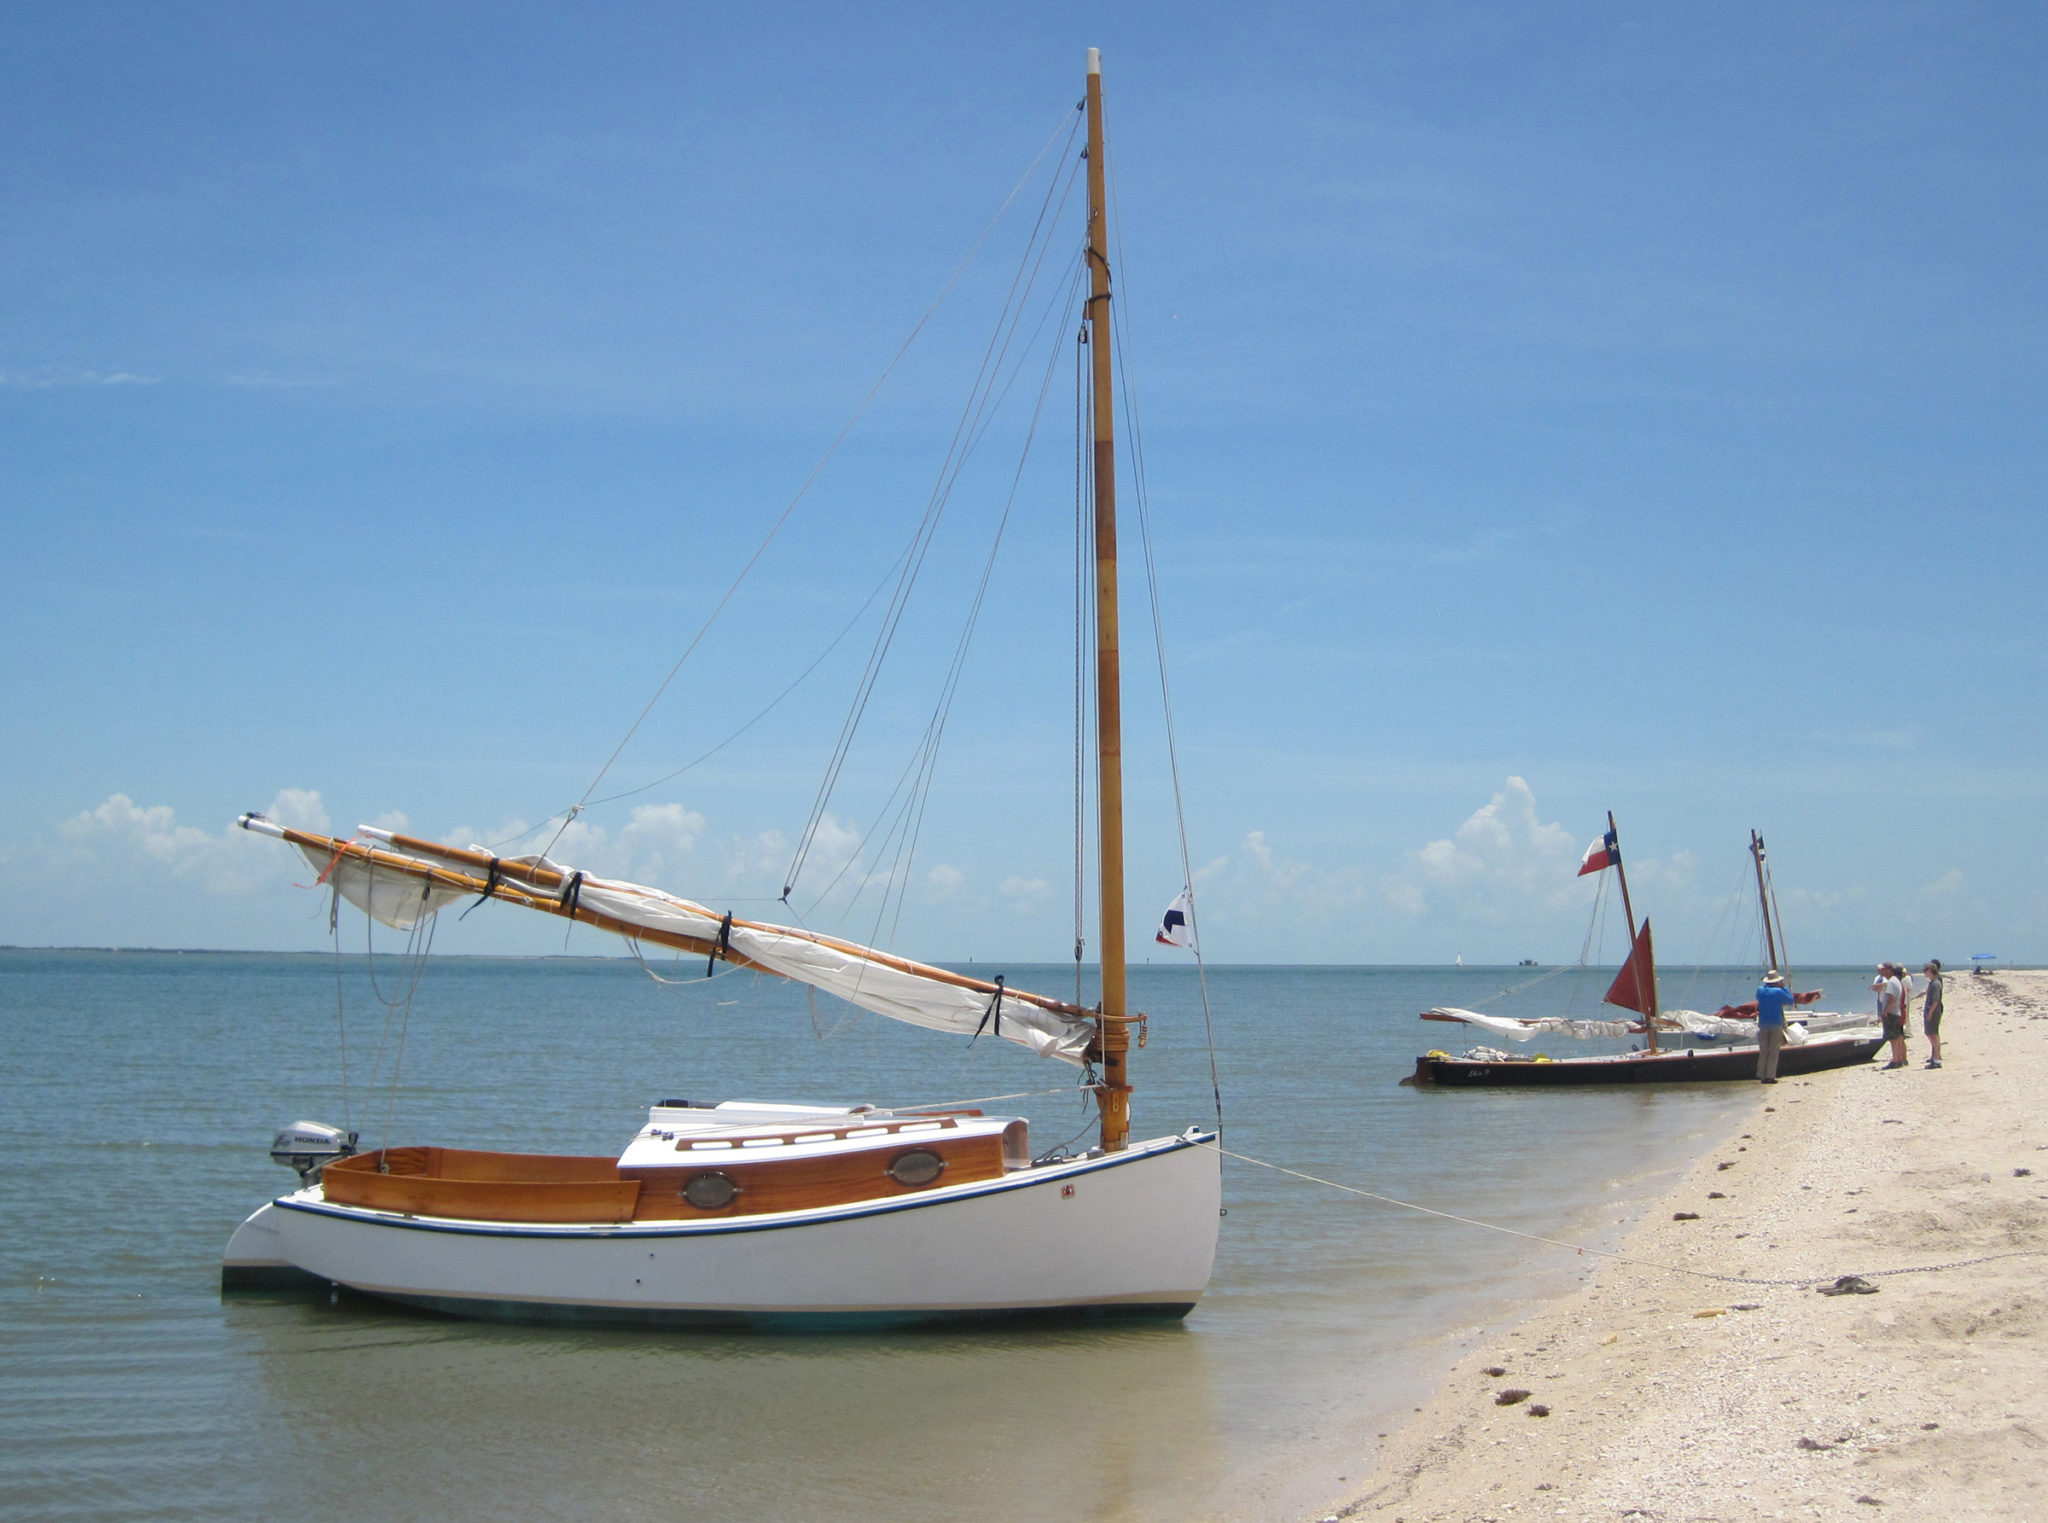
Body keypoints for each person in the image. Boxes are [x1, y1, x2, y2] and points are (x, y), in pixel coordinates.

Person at [1754, 969, 1795, 1083]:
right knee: (1773, 1051)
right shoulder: (1779, 991)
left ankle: (1761, 1075)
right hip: (1775, 1023)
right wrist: (1783, 987)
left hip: (1762, 1024)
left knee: (1763, 1050)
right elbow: (1791, 1000)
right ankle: (1770, 1076)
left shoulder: (1760, 990)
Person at [1872, 962, 1907, 1068]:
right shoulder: (1896, 981)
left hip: (1892, 1013)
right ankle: (1900, 1059)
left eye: (1883, 970)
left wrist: (1885, 1011)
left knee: (1893, 1038)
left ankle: (1896, 1060)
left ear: (1889, 970)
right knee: (1898, 1037)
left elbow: (1891, 998)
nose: (1882, 972)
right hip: (1896, 1012)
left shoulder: (1892, 982)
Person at [1922, 959, 1945, 1068]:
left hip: (1934, 1011)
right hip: (1931, 1011)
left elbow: (1936, 1000)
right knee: (1930, 1034)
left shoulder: (1936, 983)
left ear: (1931, 971)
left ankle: (1936, 1059)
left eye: (1926, 970)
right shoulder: (1933, 982)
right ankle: (1935, 1057)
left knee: (1933, 1034)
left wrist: (1930, 1012)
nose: (1925, 973)